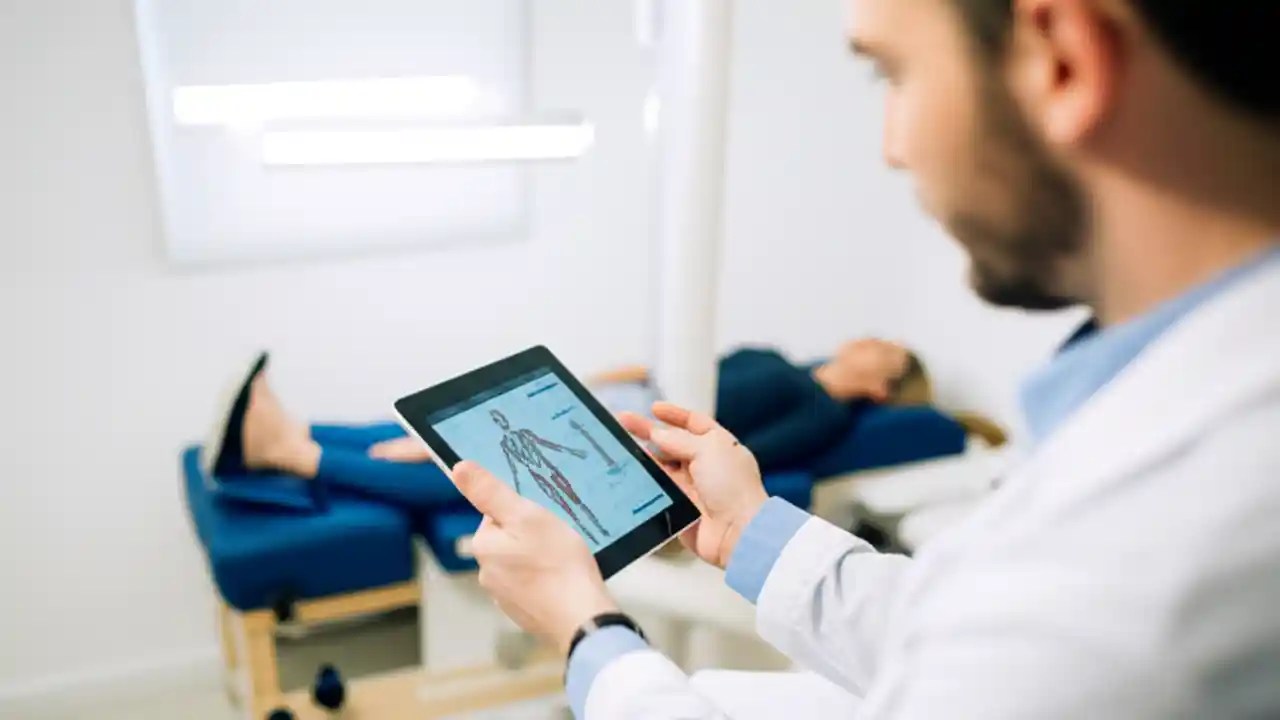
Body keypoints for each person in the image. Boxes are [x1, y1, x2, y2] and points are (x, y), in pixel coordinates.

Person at [447, 0, 1280, 718]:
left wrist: (586, 629)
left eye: (895, 76)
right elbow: (956, 633)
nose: (893, 146)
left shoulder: (1164, 542)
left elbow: (1014, 651)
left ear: (1063, 61)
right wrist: (748, 530)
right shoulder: (1174, 419)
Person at [208, 339, 926, 512]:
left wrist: (630, 444)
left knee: (467, 465)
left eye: (881, 349)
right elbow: (682, 362)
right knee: (443, 424)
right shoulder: (783, 359)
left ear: (881, 383)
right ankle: (289, 434)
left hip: (631, 447)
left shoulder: (824, 412)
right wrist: (597, 380)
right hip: (620, 404)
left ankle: (288, 451)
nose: (864, 340)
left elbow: (735, 454)